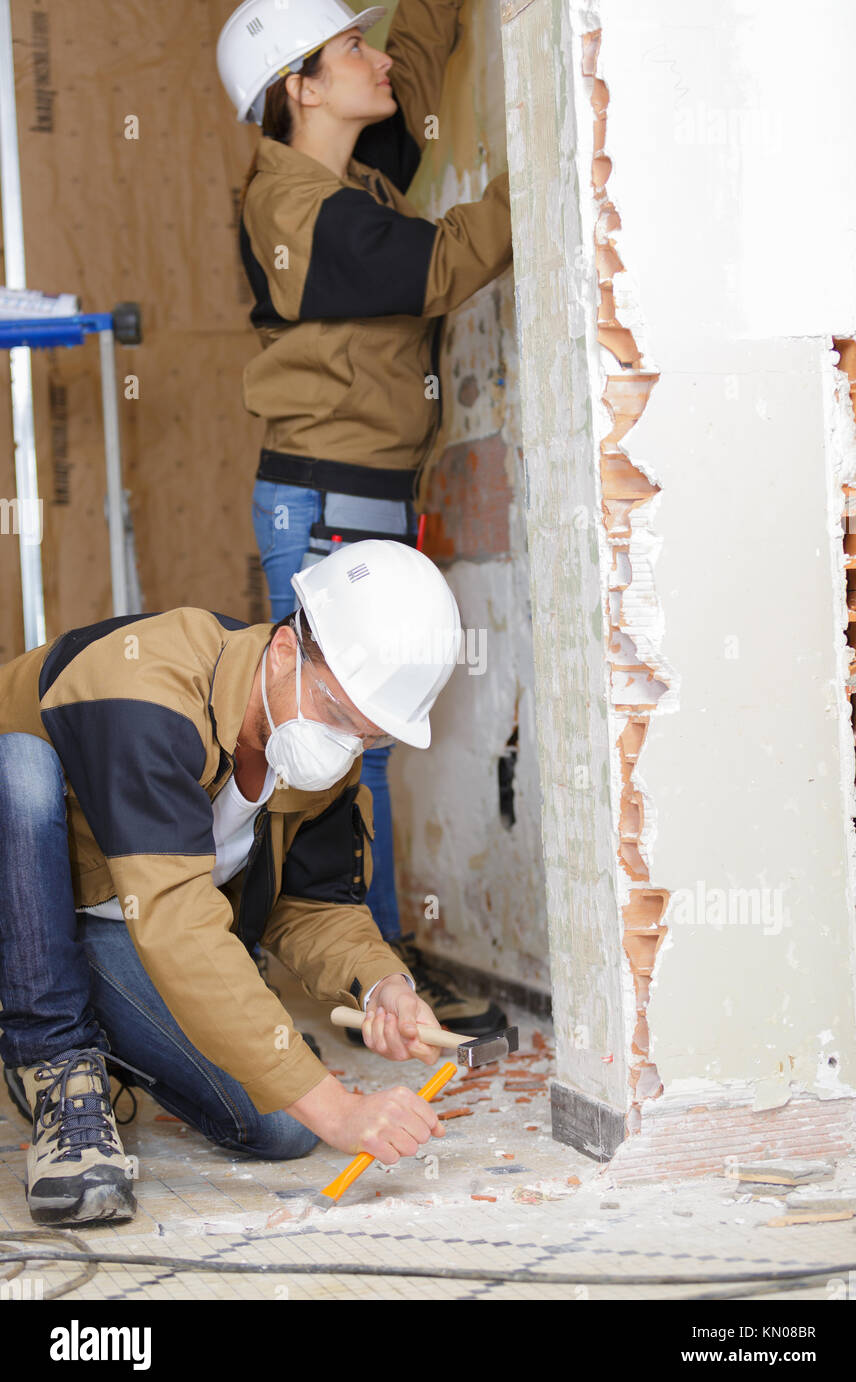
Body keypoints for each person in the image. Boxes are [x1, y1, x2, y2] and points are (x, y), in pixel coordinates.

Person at [0, 541, 460, 1226]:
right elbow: (179, 923)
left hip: (117, 915)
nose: (343, 747)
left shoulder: (317, 756)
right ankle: (51, 1050)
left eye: (365, 736)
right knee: (17, 766)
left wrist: (382, 985)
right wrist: (339, 1108)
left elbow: (315, 905)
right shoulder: (147, 688)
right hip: (30, 897)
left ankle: (101, 1028)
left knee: (281, 1125)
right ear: (282, 652)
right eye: (338, 716)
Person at [216, 0, 511, 1037]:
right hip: (325, 498)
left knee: (362, 747)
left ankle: (373, 978)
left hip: (363, 492)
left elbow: (415, 72)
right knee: (348, 748)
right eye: (349, 49)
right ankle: (379, 983)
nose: (371, 57)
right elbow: (433, 266)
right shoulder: (297, 206)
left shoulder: (351, 171)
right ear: (297, 85)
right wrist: (553, 182)